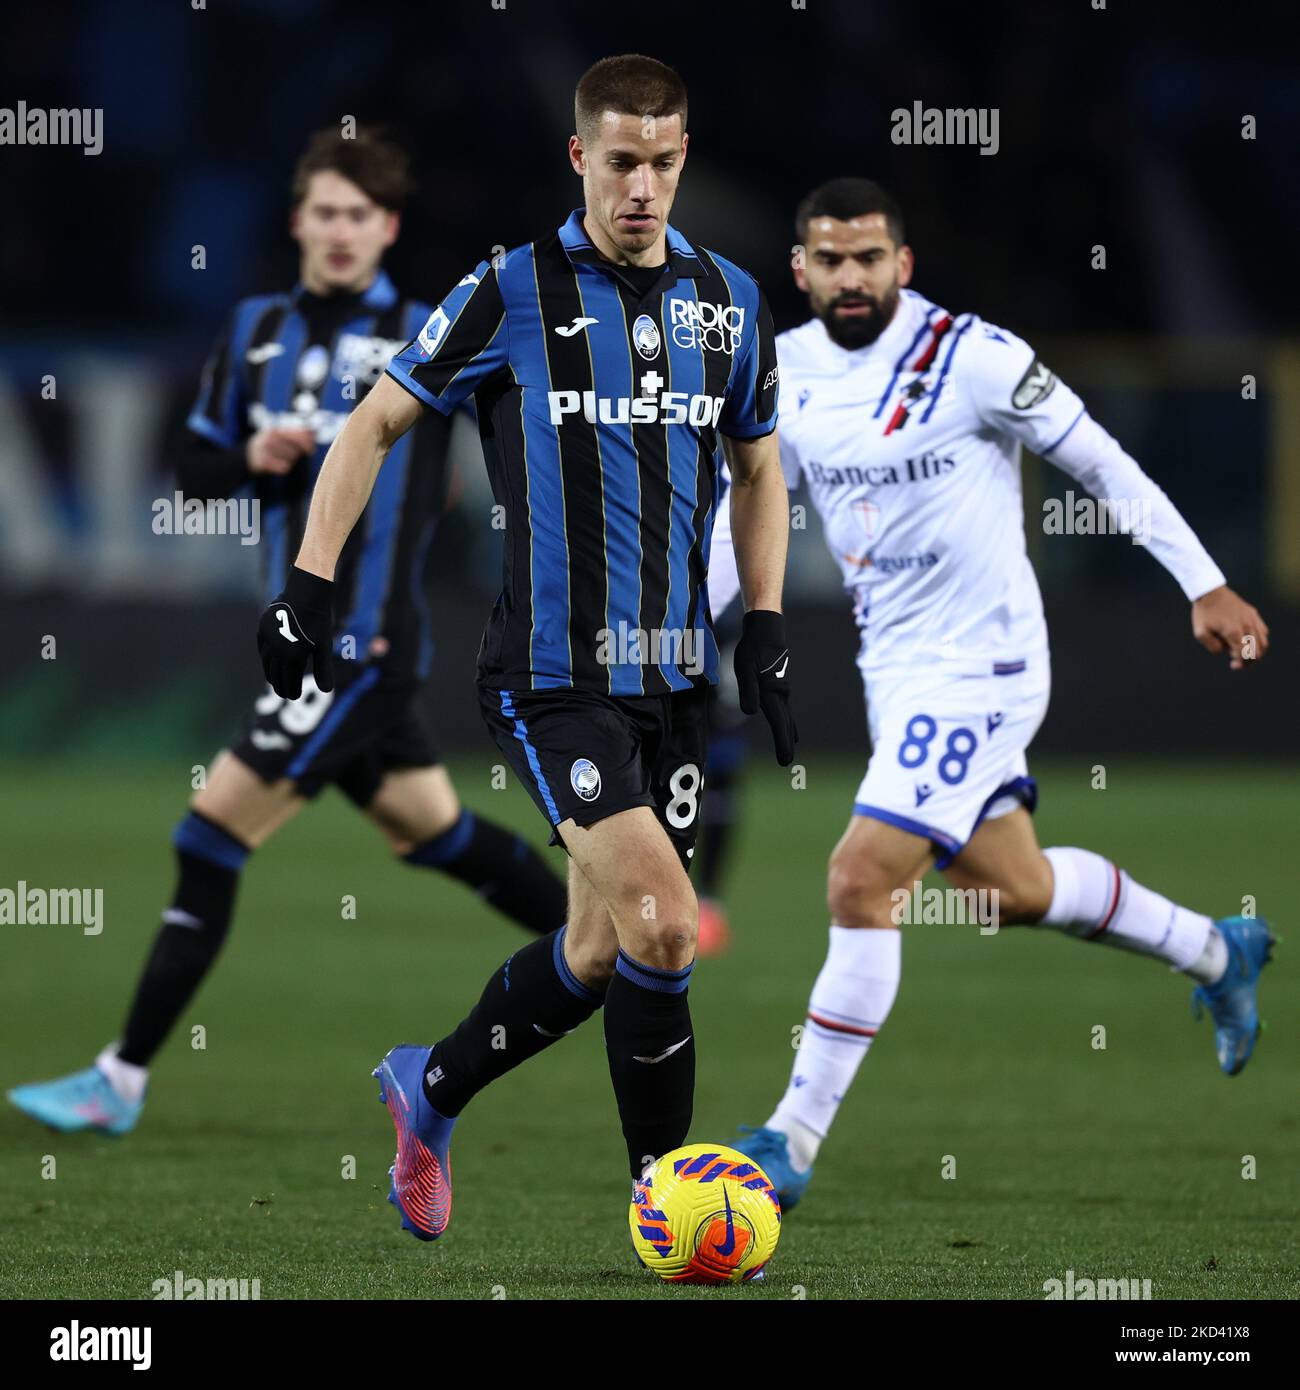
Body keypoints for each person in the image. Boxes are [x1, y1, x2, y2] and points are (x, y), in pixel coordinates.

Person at [256, 56, 796, 1242]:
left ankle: (428, 1086)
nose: (641, 187)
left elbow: (758, 468)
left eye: (661, 163)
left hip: (677, 686)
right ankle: (672, 1202)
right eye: (619, 163)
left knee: (601, 955)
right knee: (664, 923)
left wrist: (760, 620)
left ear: (683, 159)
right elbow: (374, 422)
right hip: (554, 679)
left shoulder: (735, 301)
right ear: (579, 159)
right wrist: (306, 585)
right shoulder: (510, 290)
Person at [709, 177, 1274, 1208]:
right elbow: (750, 508)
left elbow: (1099, 463)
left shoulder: (971, 356)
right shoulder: (778, 370)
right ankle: (1213, 948)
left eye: (868, 258)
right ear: (799, 270)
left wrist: (1203, 580)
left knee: (858, 878)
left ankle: (789, 1140)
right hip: (896, 672)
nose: (849, 277)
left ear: (902, 264)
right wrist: (683, 629)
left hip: (985, 667)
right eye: (828, 260)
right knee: (1005, 888)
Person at [9, 127, 566, 1139]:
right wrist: (256, 459)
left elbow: (490, 440)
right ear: (299, 220)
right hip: (296, 636)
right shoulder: (256, 329)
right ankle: (612, 946)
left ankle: (118, 1078)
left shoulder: (427, 326)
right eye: (326, 212)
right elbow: (192, 472)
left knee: (207, 831)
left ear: (388, 227)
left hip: (366, 645)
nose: (343, 231)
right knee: (429, 828)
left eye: (362, 215)